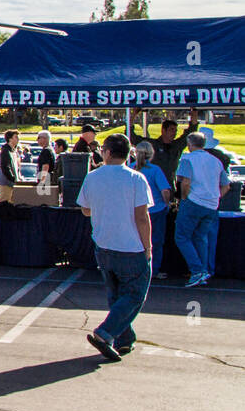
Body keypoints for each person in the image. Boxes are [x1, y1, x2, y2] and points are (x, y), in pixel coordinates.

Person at [76, 134, 153, 361]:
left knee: (116, 295)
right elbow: (142, 216)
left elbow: (85, 209)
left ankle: (124, 339)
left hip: (104, 244)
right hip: (130, 246)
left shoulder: (93, 177)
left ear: (107, 152)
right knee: (135, 295)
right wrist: (148, 246)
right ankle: (106, 332)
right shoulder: (136, 179)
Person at [173, 131, 229, 288]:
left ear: (190, 144)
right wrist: (216, 197)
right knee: (201, 238)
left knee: (182, 237)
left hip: (193, 201)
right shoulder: (216, 161)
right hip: (211, 204)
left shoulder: (187, 159)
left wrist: (184, 198)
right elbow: (226, 185)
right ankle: (203, 270)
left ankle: (197, 270)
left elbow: (185, 182)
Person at [130, 112, 200, 192]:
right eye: (171, 130)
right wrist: (134, 114)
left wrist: (194, 113)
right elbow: (131, 136)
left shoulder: (176, 146)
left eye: (175, 130)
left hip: (170, 189)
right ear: (163, 130)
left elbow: (191, 132)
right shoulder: (152, 144)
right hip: (152, 188)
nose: (174, 133)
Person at [133, 142, 171, 280]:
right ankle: (153, 270)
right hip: (155, 210)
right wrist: (167, 203)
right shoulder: (155, 170)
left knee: (137, 240)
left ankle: (137, 268)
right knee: (156, 241)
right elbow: (165, 191)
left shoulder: (131, 169)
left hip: (135, 210)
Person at [0, 130, 20, 202]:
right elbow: (5, 167)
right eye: (16, 137)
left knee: (11, 205)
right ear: (10, 139)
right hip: (5, 183)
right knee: (4, 205)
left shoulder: (13, 151)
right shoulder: (5, 151)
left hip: (11, 183)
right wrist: (13, 178)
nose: (18, 139)